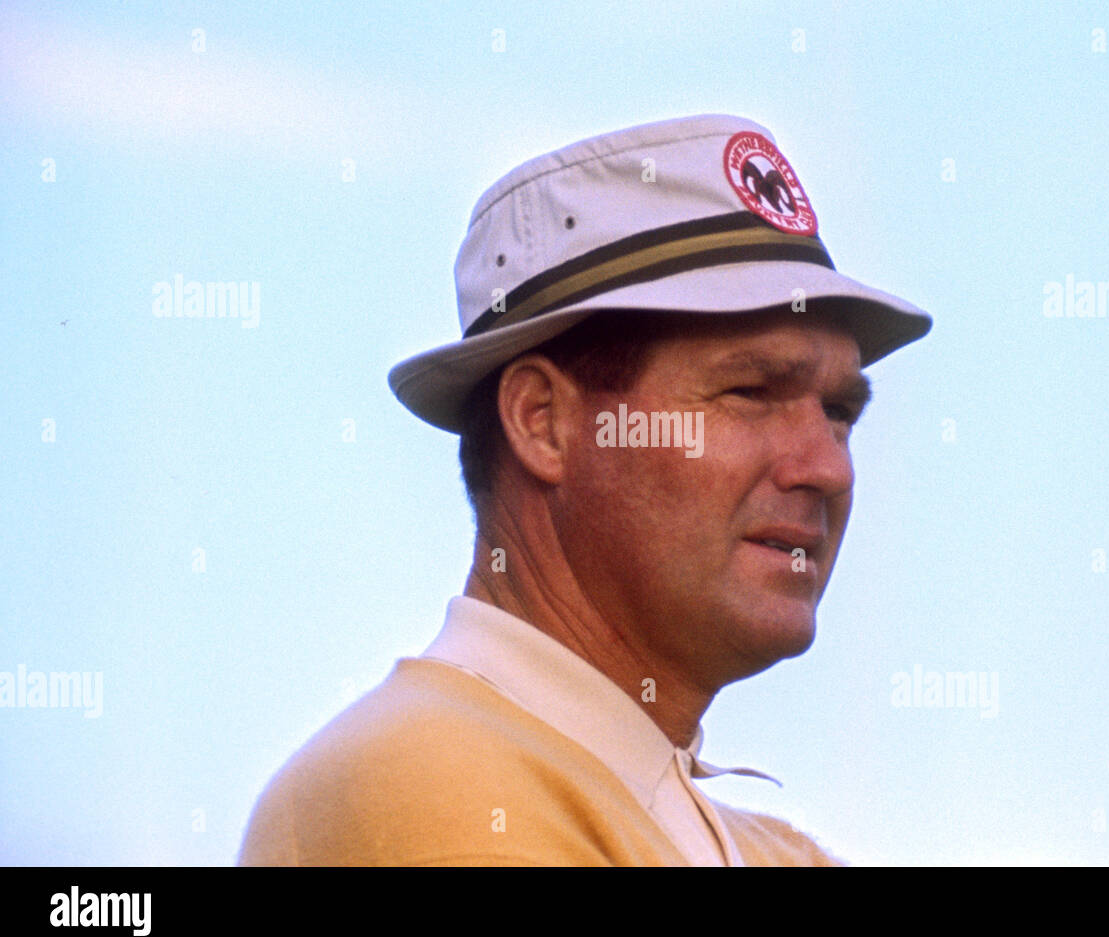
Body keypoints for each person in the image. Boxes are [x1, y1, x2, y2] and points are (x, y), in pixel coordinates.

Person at [237, 113, 931, 866]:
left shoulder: (757, 845)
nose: (825, 467)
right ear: (543, 423)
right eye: (749, 392)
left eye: (838, 411)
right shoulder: (428, 778)